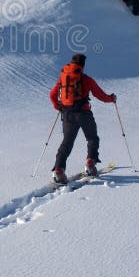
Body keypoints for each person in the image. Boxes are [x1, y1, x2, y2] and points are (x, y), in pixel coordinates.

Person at [49, 53, 116, 184]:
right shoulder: (86, 79)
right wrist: (111, 99)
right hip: (84, 114)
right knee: (92, 138)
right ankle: (90, 165)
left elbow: (52, 95)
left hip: (68, 114)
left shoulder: (63, 79)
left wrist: (59, 107)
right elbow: (100, 95)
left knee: (67, 143)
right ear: (82, 66)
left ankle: (58, 171)